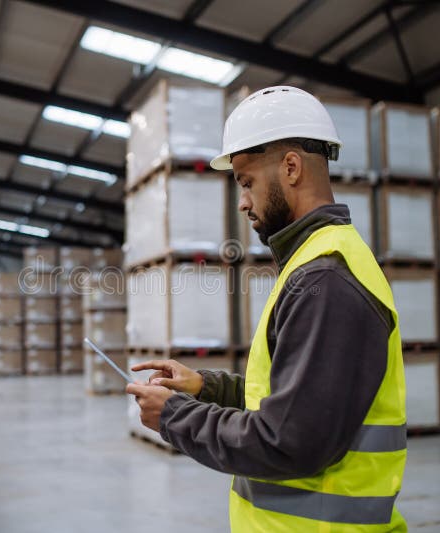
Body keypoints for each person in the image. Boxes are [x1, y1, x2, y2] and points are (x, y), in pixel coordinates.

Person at [126, 86, 407, 532]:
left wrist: (174, 416)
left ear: (291, 167)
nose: (242, 201)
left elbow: (288, 442)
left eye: (246, 182)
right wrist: (206, 387)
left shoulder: (326, 279)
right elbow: (296, 400)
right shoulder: (314, 264)